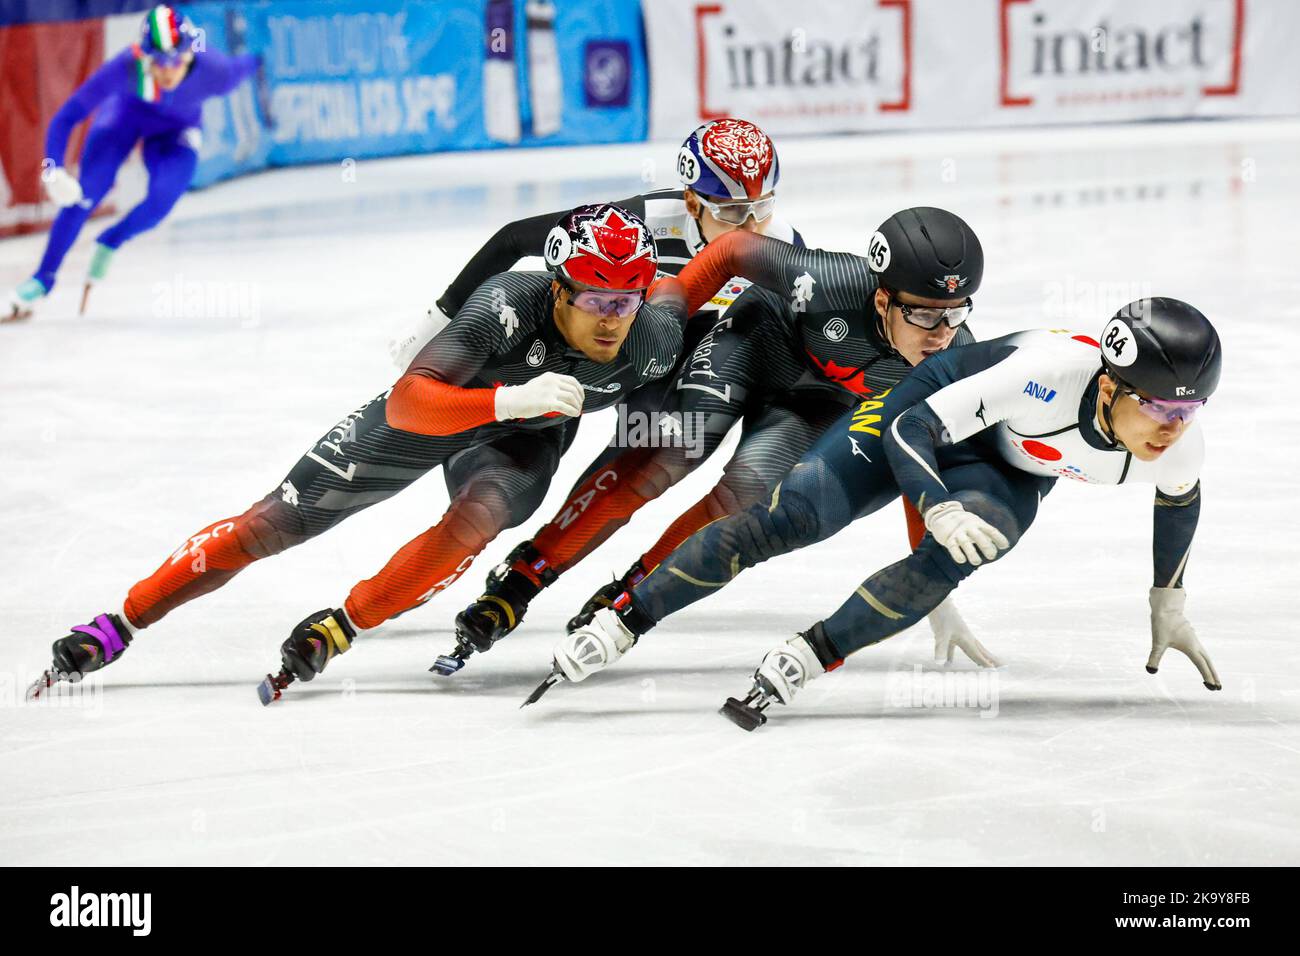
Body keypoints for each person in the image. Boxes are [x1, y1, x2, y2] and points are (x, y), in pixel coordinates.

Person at [26, 204, 686, 704]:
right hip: (455, 407)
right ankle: (120, 621)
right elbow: (408, 404)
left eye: (625, 301)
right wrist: (506, 402)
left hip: (524, 438)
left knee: (481, 516)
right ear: (560, 290)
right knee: (272, 525)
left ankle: (341, 625)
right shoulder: (505, 304)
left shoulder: (649, 336)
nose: (611, 320)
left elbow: (716, 274)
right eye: (597, 300)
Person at [446, 207, 994, 678]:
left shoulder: (950, 361)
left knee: (743, 498)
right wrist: (658, 326)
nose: (940, 333)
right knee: (666, 454)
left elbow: (917, 458)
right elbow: (730, 249)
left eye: (956, 313)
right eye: (922, 313)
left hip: (812, 403)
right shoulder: (826, 279)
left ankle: (631, 589)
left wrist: (934, 589)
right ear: (879, 298)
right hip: (753, 346)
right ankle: (523, 578)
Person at [713, 297, 1222, 729]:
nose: (1173, 428)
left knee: (973, 543)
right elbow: (914, 428)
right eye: (1159, 408)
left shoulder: (1182, 449)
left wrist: (1168, 605)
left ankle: (803, 658)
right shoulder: (1040, 376)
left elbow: (1179, 501)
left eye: (1190, 409)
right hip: (939, 411)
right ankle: (630, 609)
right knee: (796, 517)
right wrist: (935, 507)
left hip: (1009, 464)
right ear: (1110, 390)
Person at [4, 5, 261, 320]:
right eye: (158, 62)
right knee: (82, 196)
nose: (167, 71)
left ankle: (110, 240)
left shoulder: (217, 72)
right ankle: (42, 280)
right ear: (143, 55)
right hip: (124, 121)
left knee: (160, 202)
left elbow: (250, 63)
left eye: (175, 61)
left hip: (176, 132)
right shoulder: (127, 65)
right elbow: (66, 117)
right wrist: (52, 169)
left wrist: (262, 59)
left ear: (191, 53)